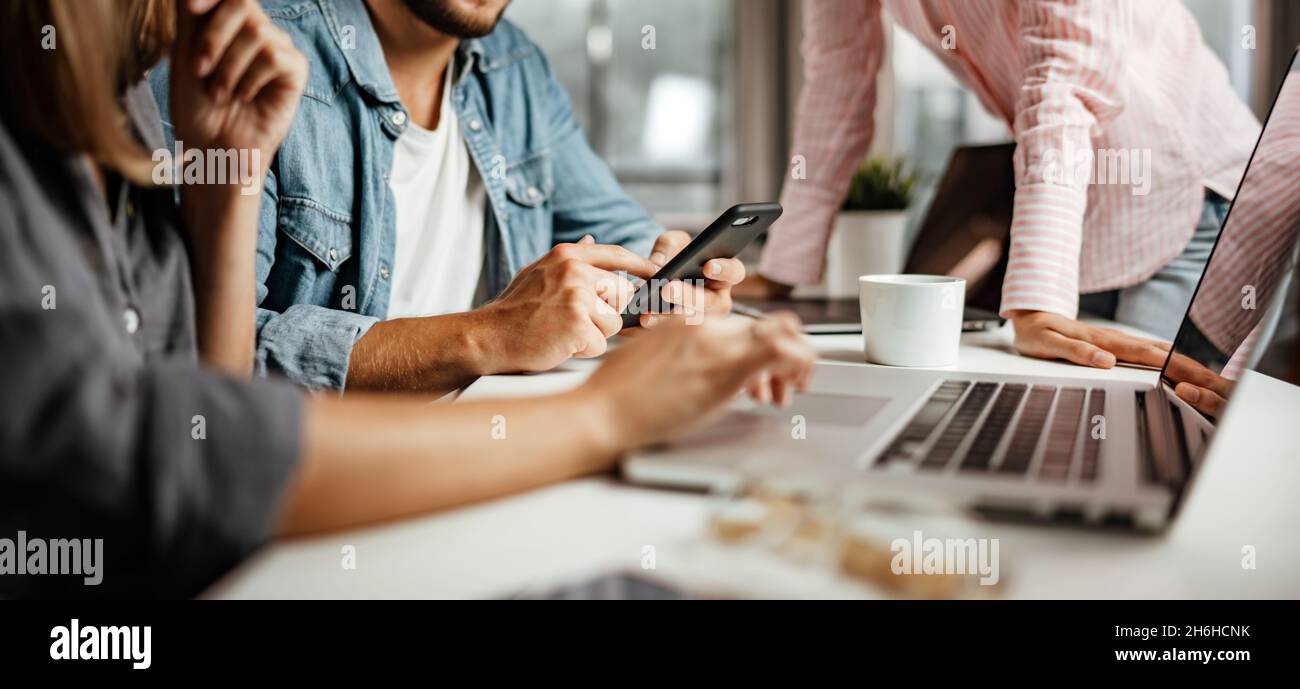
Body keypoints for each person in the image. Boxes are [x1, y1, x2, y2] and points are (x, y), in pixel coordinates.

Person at [0, 0, 814, 598]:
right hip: (348, 508)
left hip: (399, 504)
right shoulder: (250, 57)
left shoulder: (138, 106)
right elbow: (184, 442)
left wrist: (668, 282)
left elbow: (205, 414)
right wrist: (577, 398)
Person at [147, 0, 744, 395]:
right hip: (320, 479)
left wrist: (668, 277)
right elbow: (205, 363)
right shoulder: (239, 66)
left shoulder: (513, 67)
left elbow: (624, 235)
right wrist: (488, 335)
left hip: (489, 449)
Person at [738, 0, 1262, 371]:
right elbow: (837, 83)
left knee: (1147, 416)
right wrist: (782, 271)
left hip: (1194, 189)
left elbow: (1062, 84)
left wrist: (1037, 299)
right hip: (1083, 206)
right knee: (1075, 405)